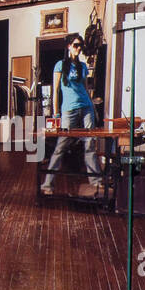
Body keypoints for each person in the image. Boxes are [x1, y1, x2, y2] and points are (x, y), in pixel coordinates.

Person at [41, 33, 102, 195]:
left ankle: (96, 181)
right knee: (61, 146)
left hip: (86, 107)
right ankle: (47, 185)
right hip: (69, 109)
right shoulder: (60, 65)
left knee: (90, 144)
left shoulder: (82, 66)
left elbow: (85, 88)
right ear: (68, 46)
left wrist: (93, 107)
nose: (78, 48)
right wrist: (56, 113)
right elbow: (55, 90)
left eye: (80, 45)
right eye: (75, 45)